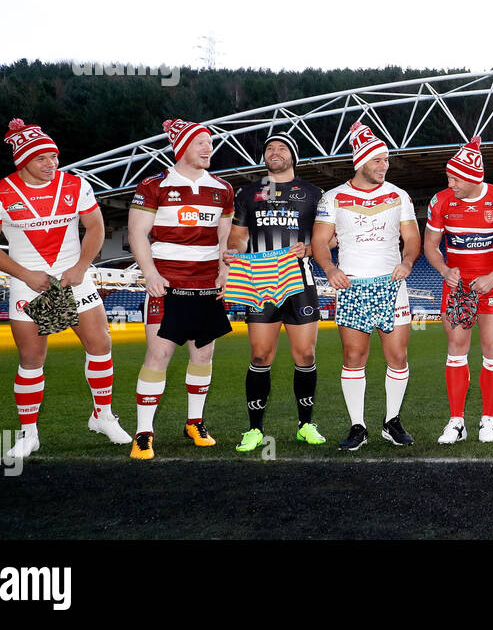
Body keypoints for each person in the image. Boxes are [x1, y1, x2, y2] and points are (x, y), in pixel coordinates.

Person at [0, 118, 131, 457]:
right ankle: (28, 433)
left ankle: (102, 415)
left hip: (75, 279)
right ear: (23, 160)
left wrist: (80, 267)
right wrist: (25, 274)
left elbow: (95, 228)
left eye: (54, 157)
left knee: (101, 344)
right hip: (29, 285)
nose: (51, 164)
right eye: (42, 158)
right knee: (31, 359)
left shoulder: (76, 185)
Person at [127, 118, 235, 460]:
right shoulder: (153, 185)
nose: (209, 148)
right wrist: (150, 273)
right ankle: (143, 432)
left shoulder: (223, 188)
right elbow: (136, 234)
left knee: (203, 355)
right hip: (167, 285)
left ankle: (195, 422)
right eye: (202, 142)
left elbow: (224, 241)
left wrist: (224, 271)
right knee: (158, 355)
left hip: (206, 286)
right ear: (183, 147)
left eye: (210, 142)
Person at [312, 122, 421, 451]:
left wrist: (408, 262)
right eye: (377, 160)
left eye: (386, 160)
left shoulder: (399, 195)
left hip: (392, 283)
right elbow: (319, 241)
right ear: (360, 161)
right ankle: (358, 425)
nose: (383, 166)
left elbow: (412, 238)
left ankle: (391, 421)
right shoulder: (333, 198)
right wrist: (329, 268)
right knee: (354, 356)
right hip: (351, 284)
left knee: (397, 356)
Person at [228, 134, 326, 453]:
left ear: (293, 156)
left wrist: (309, 248)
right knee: (259, 356)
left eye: (282, 148)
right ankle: (255, 430)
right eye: (269, 148)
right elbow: (239, 237)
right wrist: (233, 251)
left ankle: (306, 424)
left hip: (301, 280)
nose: (274, 152)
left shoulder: (313, 194)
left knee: (306, 355)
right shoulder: (249, 193)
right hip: (259, 281)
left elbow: (332, 239)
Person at [423, 136, 493, 444]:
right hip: (457, 285)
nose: (450, 182)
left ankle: (487, 421)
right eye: (449, 176)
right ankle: (457, 422)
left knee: (492, 350)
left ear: (471, 177)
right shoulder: (440, 201)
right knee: (456, 351)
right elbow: (430, 246)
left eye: (455, 178)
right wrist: (444, 270)